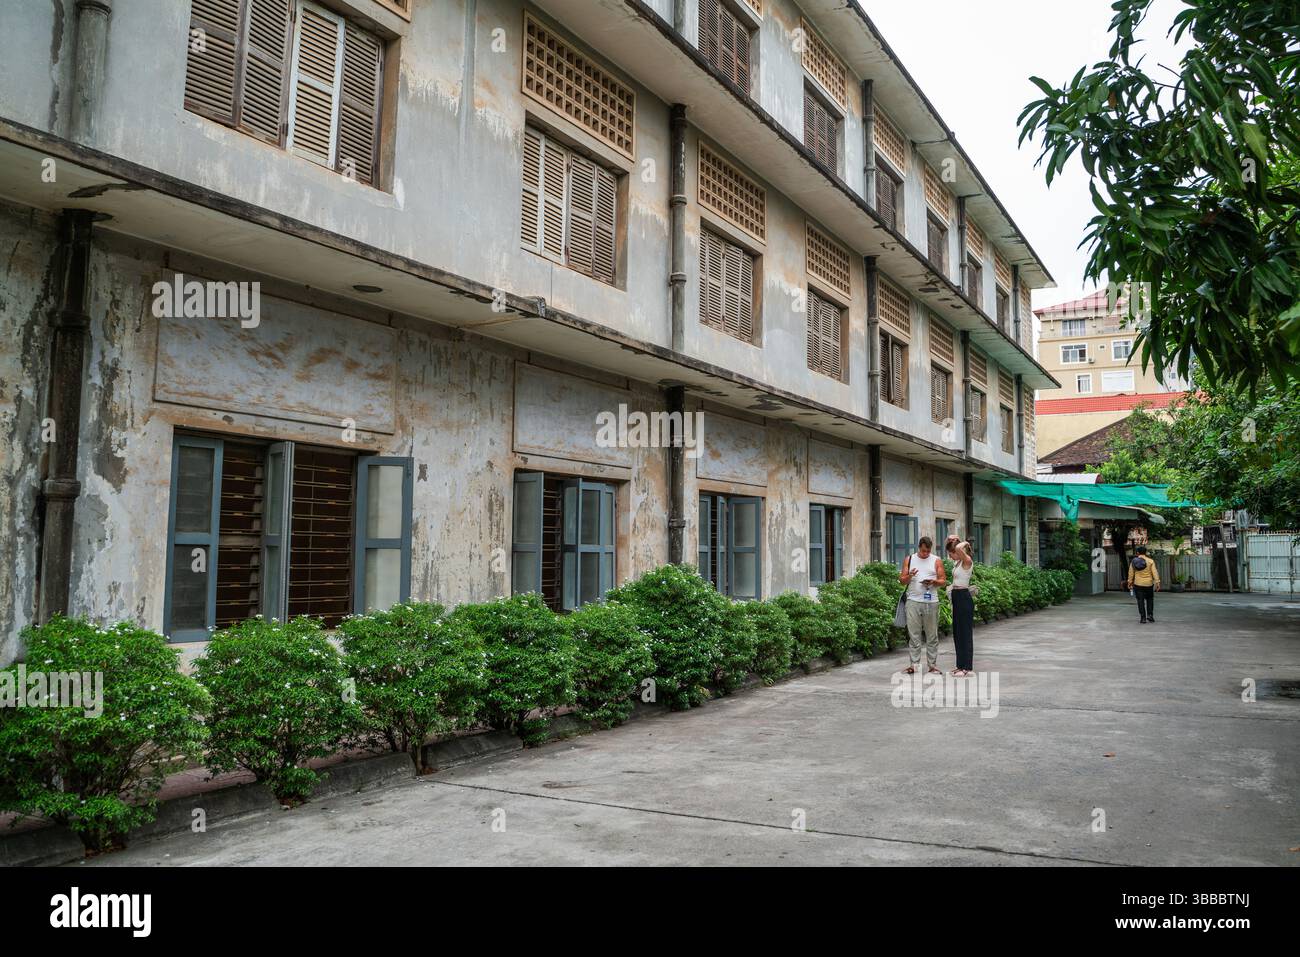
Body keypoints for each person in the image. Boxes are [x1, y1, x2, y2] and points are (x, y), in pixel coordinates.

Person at [899, 536, 946, 675]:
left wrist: (933, 582)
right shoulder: (910, 559)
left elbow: (943, 580)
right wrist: (910, 576)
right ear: (919, 547)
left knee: (932, 635)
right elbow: (902, 580)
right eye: (923, 550)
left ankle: (932, 665)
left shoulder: (936, 560)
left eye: (928, 551)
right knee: (914, 635)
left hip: (931, 601)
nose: (925, 553)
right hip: (913, 601)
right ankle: (914, 665)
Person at [945, 535, 975, 676]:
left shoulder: (967, 561)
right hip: (956, 596)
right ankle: (959, 665)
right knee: (957, 632)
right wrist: (952, 538)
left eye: (952, 554)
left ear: (959, 552)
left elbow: (957, 547)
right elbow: (953, 545)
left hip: (964, 596)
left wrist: (963, 542)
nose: (950, 556)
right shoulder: (957, 563)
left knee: (965, 633)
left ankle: (967, 667)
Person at [1126, 544, 1161, 623]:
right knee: (1150, 599)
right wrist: (1157, 583)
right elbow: (1154, 572)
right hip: (1148, 584)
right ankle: (1150, 615)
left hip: (1138, 584)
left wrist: (1129, 582)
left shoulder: (1134, 561)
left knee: (1140, 601)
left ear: (1137, 553)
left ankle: (1143, 618)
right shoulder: (1150, 561)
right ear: (1145, 552)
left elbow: (1131, 573)